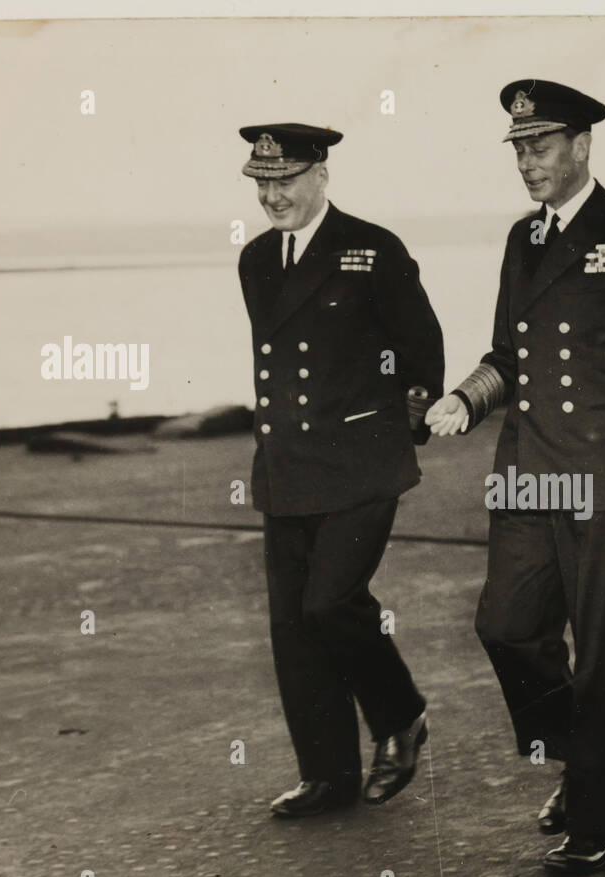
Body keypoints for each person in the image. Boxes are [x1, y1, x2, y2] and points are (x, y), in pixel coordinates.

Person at [425, 80, 605, 875]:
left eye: (540, 146)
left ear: (581, 145)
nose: (527, 162)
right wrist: (463, 401)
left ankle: (600, 815)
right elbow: (509, 355)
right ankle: (583, 760)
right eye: (518, 148)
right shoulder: (524, 240)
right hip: (530, 470)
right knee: (505, 625)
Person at [236, 123, 444, 818]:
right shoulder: (256, 260)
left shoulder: (373, 249)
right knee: (295, 626)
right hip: (288, 466)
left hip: (361, 465)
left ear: (321, 175)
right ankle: (328, 775)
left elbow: (422, 346)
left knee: (330, 603)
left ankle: (400, 713)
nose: (273, 195)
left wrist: (405, 420)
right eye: (262, 183)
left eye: (285, 180)